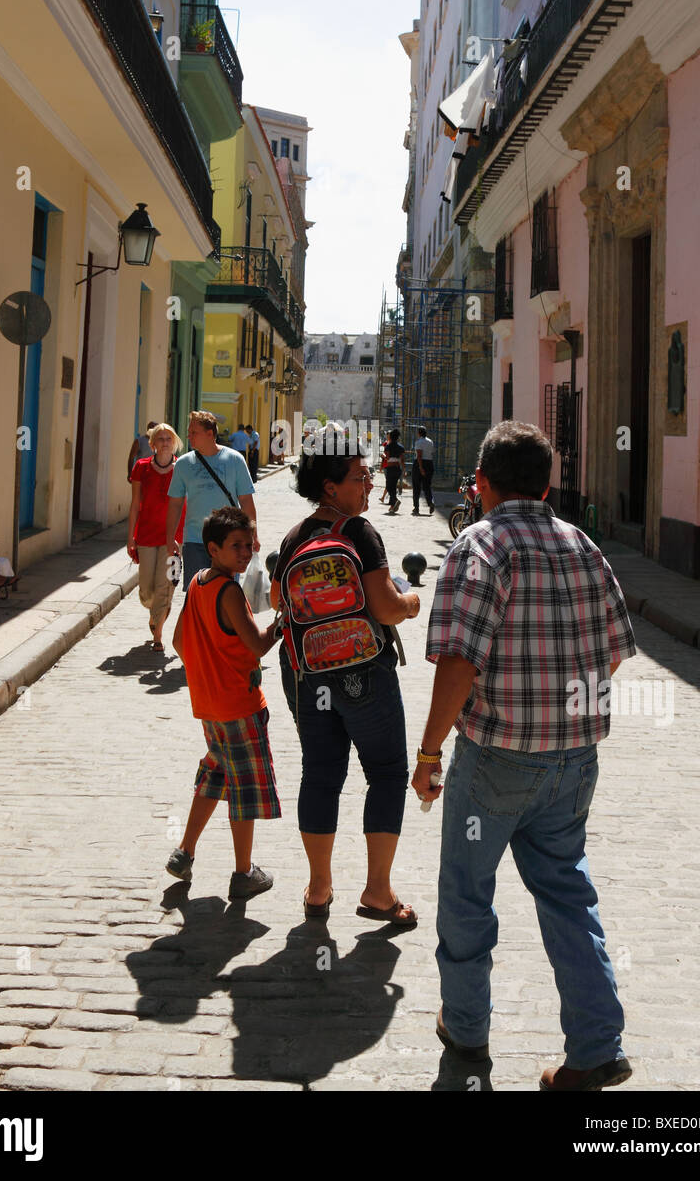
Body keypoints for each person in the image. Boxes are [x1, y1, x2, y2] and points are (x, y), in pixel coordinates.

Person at [413, 420, 637, 1091]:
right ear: (547, 485)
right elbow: (617, 647)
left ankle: (468, 1030)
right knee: (569, 895)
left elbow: (458, 661)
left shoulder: (478, 546)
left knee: (466, 893)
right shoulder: (582, 545)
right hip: (574, 761)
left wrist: (427, 753)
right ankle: (597, 1049)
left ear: (480, 484)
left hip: (495, 761)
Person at [270, 426, 421, 925]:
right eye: (361, 477)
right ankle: (378, 892)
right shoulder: (358, 533)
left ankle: (318, 888)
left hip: (306, 676)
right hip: (364, 676)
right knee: (386, 773)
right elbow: (385, 606)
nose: (369, 485)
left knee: (320, 773)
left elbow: (277, 603)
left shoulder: (294, 538)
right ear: (331, 486)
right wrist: (411, 602)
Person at [166, 506, 281, 899]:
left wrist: (206, 669)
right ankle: (243, 872)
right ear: (213, 548)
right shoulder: (229, 591)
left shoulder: (198, 581)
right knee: (243, 789)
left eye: (248, 545)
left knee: (214, 776)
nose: (245, 553)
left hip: (209, 704)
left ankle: (185, 852)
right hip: (239, 704)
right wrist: (282, 620)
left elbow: (180, 641)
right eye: (236, 547)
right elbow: (258, 645)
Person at [165, 411, 259, 592]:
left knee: (227, 592)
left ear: (210, 434)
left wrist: (253, 534)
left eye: (194, 432)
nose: (189, 436)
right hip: (194, 540)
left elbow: (246, 501)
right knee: (197, 593)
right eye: (189, 432)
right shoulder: (183, 464)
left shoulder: (235, 460)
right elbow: (175, 504)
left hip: (230, 541)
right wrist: (170, 539)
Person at [128, 424, 185, 652]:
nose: (164, 442)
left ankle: (158, 635)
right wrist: (130, 537)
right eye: (160, 438)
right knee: (146, 591)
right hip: (146, 534)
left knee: (165, 584)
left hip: (174, 537)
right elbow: (134, 506)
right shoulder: (141, 468)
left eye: (168, 438)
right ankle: (155, 612)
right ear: (152, 444)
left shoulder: (183, 468)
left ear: (174, 443)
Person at [412, 425, 435, 516]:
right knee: (427, 486)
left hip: (420, 464)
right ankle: (430, 502)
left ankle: (416, 507)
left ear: (419, 433)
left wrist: (421, 468)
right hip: (429, 463)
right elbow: (431, 452)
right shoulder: (430, 441)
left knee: (416, 487)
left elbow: (419, 456)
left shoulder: (419, 442)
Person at [383, 428, 406, 514]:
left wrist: (383, 456)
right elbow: (402, 459)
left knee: (389, 487)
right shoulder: (401, 447)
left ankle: (396, 500)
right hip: (397, 469)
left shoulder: (388, 446)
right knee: (393, 487)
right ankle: (393, 506)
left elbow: (388, 458)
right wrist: (404, 469)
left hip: (390, 468)